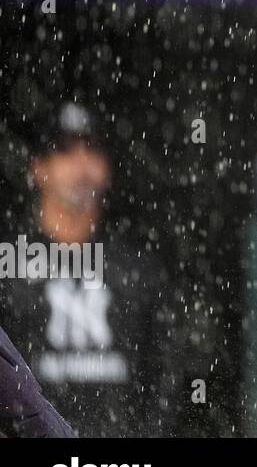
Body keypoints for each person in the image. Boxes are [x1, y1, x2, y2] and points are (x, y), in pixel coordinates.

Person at [0, 103, 183, 436]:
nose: (81, 166)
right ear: (39, 168)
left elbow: (165, 384)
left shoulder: (138, 270)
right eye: (65, 150)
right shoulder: (9, 270)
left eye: (92, 149)